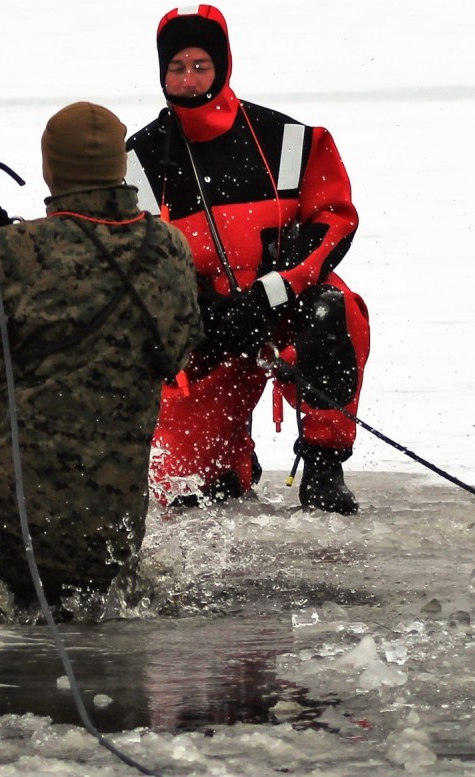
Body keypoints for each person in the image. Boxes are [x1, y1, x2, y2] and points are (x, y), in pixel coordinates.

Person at [0, 102, 203, 607]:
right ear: (120, 168)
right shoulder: (170, 249)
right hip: (108, 539)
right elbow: (176, 352)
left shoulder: (20, 252)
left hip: (0, 524)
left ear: (49, 170)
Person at [126, 5, 371, 514]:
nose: (189, 79)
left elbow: (335, 222)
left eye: (201, 66)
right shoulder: (138, 161)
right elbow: (131, 265)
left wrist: (272, 292)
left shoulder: (290, 140)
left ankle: (324, 464)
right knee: (193, 492)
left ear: (224, 65)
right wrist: (198, 317)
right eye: (177, 67)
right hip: (204, 331)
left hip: (284, 305)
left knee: (333, 309)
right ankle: (234, 461)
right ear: (161, 72)